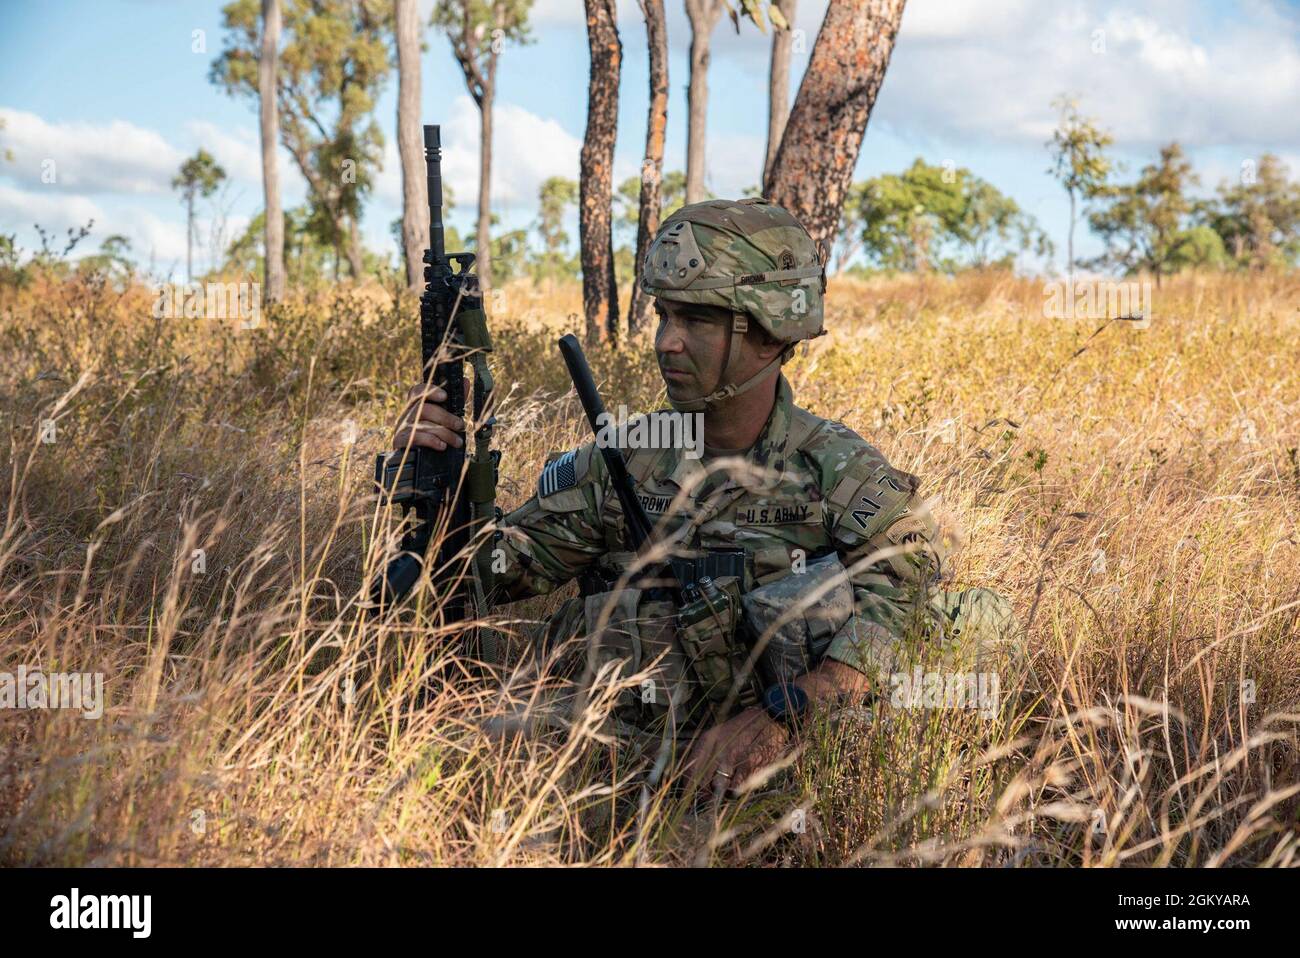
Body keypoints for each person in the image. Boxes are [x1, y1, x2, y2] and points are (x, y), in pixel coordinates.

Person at [391, 197, 1017, 796]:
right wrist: (427, 491)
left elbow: (903, 606)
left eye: (696, 319)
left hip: (788, 764)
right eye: (664, 314)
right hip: (624, 751)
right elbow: (477, 579)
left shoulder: (838, 473)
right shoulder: (623, 462)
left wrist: (785, 716)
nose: (666, 340)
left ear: (771, 334)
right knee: (450, 754)